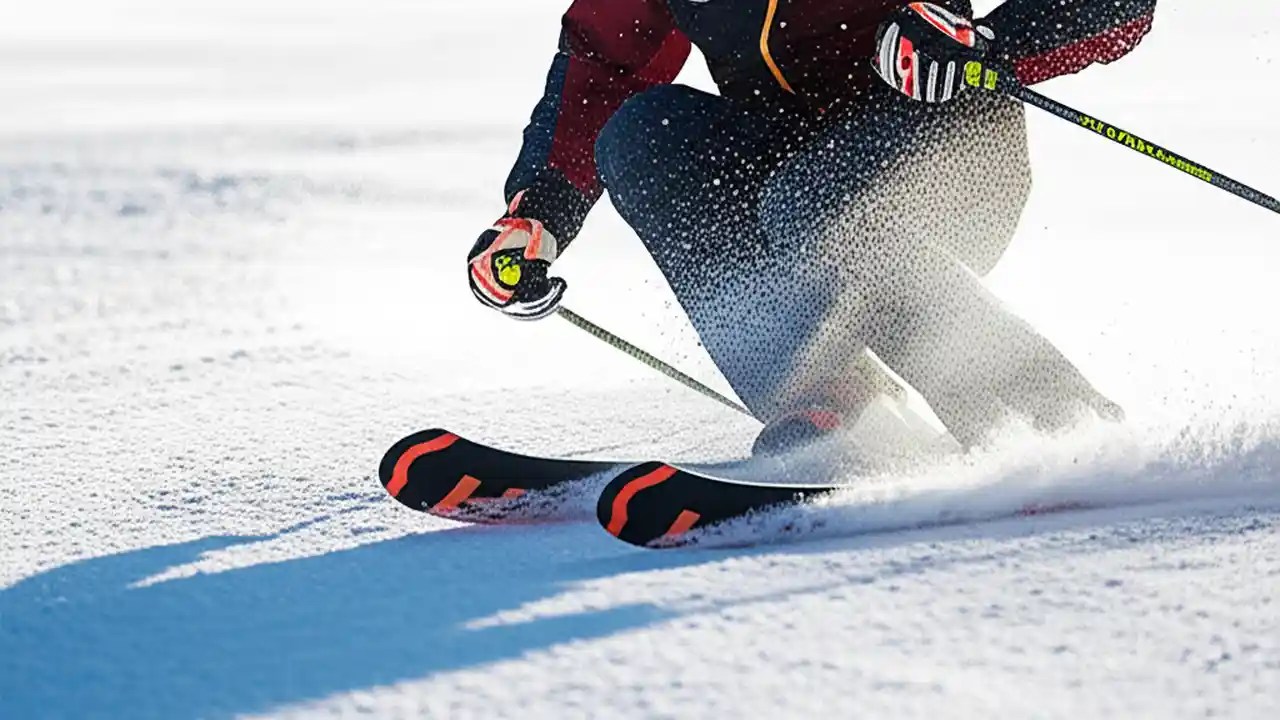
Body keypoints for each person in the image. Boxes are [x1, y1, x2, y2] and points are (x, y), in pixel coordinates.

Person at [467, 0, 1156, 454]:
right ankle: (837, 413)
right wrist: (537, 213)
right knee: (643, 139)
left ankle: (1048, 416)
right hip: (793, 168)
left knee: (808, 203)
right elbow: (605, 62)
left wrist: (990, 44)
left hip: (949, 162)